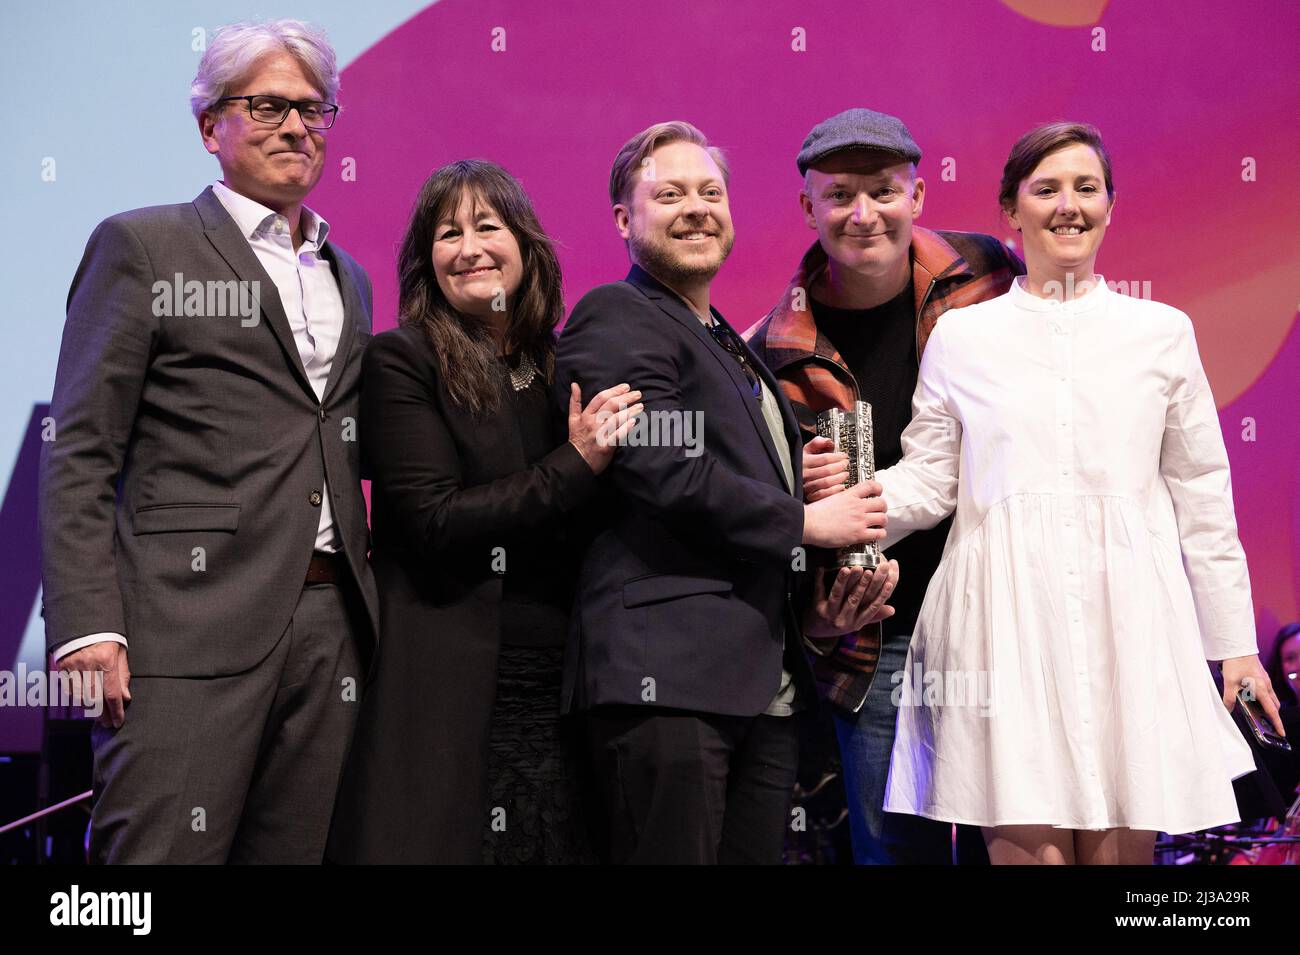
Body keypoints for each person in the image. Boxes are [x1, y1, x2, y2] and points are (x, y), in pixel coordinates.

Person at [820, 121, 1286, 864]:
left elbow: (1202, 495)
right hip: (1002, 630)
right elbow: (931, 480)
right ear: (1012, 207)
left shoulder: (1161, 333)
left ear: (1110, 206)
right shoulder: (964, 338)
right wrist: (827, 516)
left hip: (1129, 627)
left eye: (1086, 187)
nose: (1068, 205)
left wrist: (1232, 646)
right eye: (1046, 189)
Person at [39, 19, 379, 863]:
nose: (297, 127)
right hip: (180, 629)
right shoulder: (143, 245)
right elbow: (81, 448)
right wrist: (86, 628)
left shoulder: (352, 277)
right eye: (267, 107)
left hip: (332, 623)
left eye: (315, 109)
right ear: (209, 128)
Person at [555, 121, 898, 864]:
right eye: (669, 194)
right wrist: (806, 517)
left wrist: (788, 476)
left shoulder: (727, 338)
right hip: (665, 681)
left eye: (711, 191)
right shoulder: (615, 317)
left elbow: (710, 466)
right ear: (623, 219)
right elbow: (661, 467)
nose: (697, 208)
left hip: (758, 686)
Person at [326, 161, 639, 864]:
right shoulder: (405, 360)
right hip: (456, 682)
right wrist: (575, 463)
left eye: (487, 227)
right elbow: (433, 521)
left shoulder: (562, 364)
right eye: (447, 233)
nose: (468, 248)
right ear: (426, 259)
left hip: (568, 683)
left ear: (525, 245)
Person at [747, 108, 1023, 864]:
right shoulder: (769, 349)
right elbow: (754, 526)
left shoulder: (992, 276)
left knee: (1025, 838)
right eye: (840, 195)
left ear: (919, 196)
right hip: (878, 638)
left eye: (882, 191)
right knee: (901, 852)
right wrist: (794, 497)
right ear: (809, 207)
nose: (863, 213)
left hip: (1008, 618)